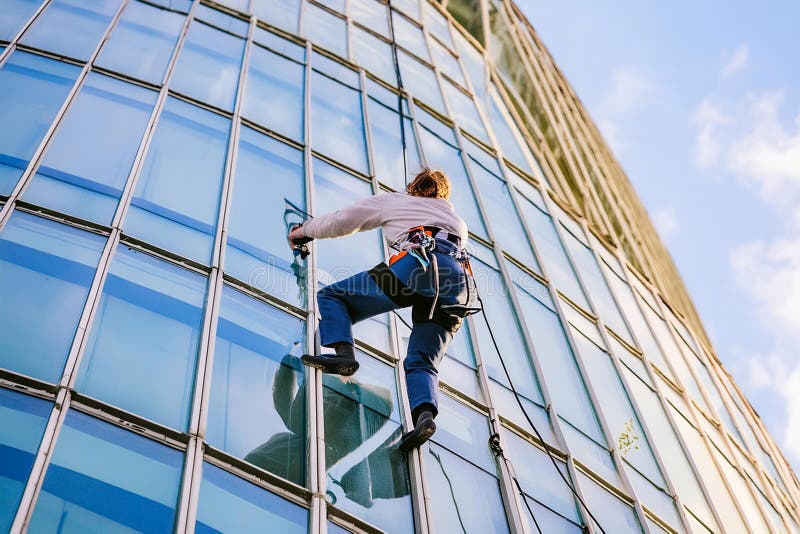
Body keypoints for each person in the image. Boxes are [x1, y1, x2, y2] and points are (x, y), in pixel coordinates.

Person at [288, 169, 477, 451]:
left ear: (412, 186)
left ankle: (343, 356)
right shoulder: (457, 222)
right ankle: (424, 418)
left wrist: (302, 231)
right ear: (444, 194)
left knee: (333, 296)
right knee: (422, 361)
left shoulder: (397, 201)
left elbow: (343, 221)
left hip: (416, 267)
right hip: (458, 287)